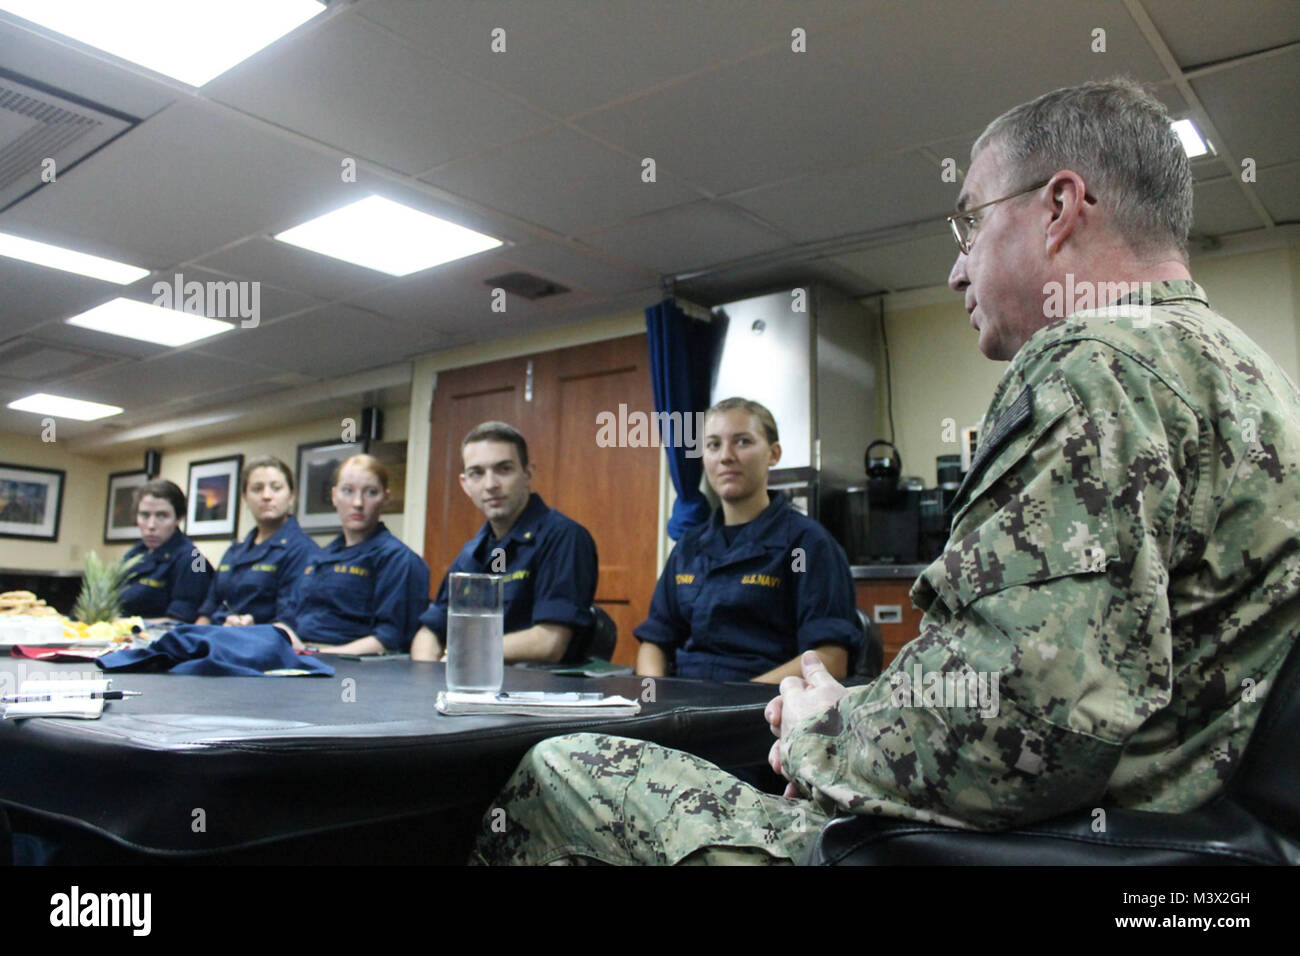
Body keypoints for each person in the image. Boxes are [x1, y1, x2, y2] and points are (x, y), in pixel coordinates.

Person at [470, 77, 1300, 864]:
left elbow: (1018, 733)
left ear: (1058, 207)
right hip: (1167, 843)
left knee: (561, 773)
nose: (956, 269)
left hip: (1027, 848)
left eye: (970, 225)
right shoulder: (1250, 376)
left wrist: (818, 736)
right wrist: (856, 708)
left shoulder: (1092, 366)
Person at [635, 397, 860, 683]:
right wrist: (654, 698)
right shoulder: (688, 547)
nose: (726, 456)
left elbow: (830, 658)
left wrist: (733, 705)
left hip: (766, 711)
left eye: (742, 442)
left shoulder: (807, 545)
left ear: (773, 454)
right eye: (714, 445)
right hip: (683, 706)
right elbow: (654, 641)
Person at [410, 422, 597, 664]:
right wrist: (427, 675)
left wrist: (462, 654)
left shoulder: (564, 537)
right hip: (474, 687)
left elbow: (549, 643)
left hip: (539, 693)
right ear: (465, 484)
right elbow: (430, 630)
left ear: (528, 474)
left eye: (504, 469)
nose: (490, 485)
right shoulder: (470, 554)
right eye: (477, 473)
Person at [275, 454, 428, 656]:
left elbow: (389, 638)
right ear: (334, 496)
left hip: (353, 666)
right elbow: (288, 616)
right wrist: (284, 634)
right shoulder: (318, 557)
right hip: (300, 657)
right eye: (348, 491)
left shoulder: (398, 559)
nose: (358, 502)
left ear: (386, 498)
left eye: (371, 492)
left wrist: (316, 653)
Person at [194, 456, 315, 627]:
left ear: (291, 496)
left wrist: (248, 629)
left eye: (276, 488)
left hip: (260, 643)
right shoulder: (235, 550)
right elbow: (208, 611)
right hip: (216, 639)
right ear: (244, 497)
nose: (266, 496)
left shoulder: (303, 550)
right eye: (257, 489)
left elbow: (288, 623)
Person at [120, 479, 214, 623]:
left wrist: (124, 624)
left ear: (179, 518)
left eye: (162, 516)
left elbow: (181, 621)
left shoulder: (194, 559)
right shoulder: (134, 553)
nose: (151, 525)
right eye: (145, 515)